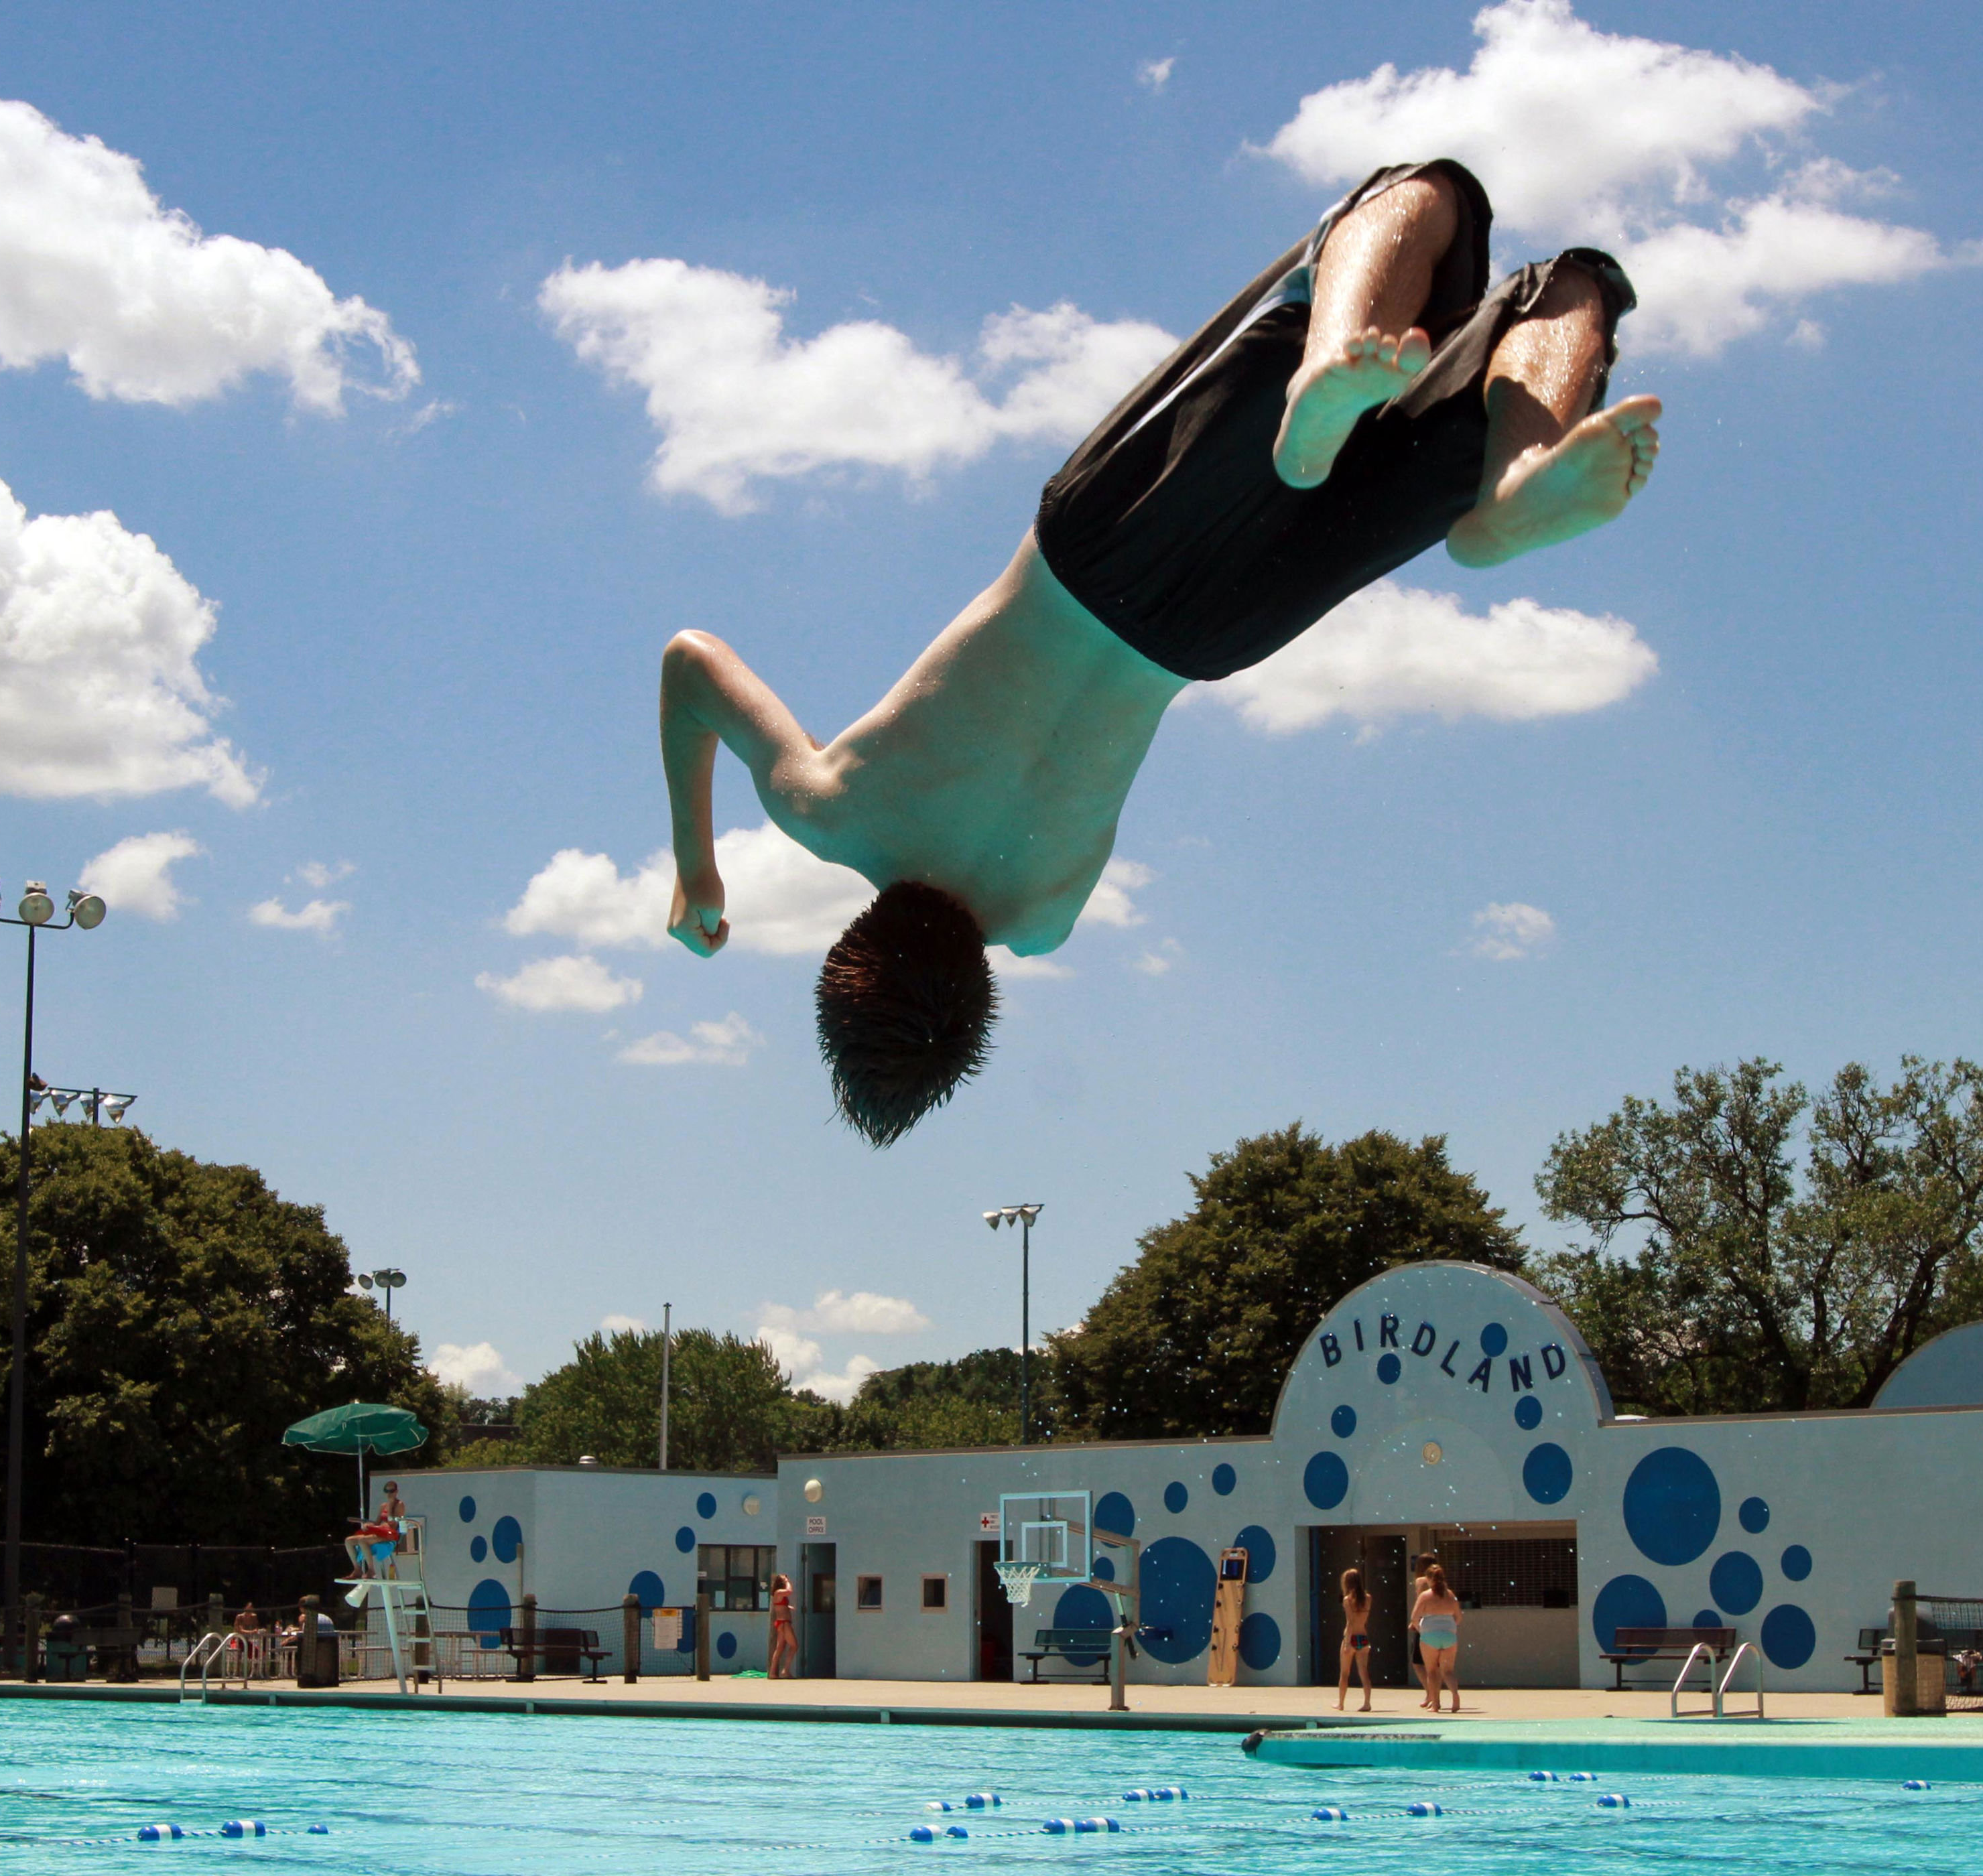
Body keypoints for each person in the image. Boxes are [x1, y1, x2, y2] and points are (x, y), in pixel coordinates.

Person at [659, 158, 1659, 1143]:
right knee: (1423, 198)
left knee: (1569, 287)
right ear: (844, 956)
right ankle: (1330, 362)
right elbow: (689, 661)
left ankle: (1506, 483)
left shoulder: (1045, 915)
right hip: (1100, 548)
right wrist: (697, 871)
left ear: (979, 1007)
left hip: (1220, 629)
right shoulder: (829, 807)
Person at [1411, 1564, 1463, 1714]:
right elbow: (1458, 1617)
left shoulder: (1425, 1596)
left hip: (1430, 1635)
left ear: (1428, 1579)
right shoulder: (1450, 1595)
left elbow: (1414, 1617)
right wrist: (1451, 1628)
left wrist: (1421, 1629)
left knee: (1432, 1671)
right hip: (1449, 1635)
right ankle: (1455, 1695)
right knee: (1448, 1671)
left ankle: (1436, 1704)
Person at [1334, 1566, 1375, 1714]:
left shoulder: (1348, 1600)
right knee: (1364, 1672)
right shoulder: (1368, 1598)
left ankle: (1341, 1703)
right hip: (1363, 1636)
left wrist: (1346, 1643)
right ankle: (1367, 1702)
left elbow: (1350, 1622)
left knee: (1345, 1673)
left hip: (1351, 1637)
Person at [767, 1573, 797, 1678]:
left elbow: (780, 1606)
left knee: (780, 1648)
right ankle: (785, 1670)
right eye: (784, 1579)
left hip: (782, 1622)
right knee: (794, 1646)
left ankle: (772, 1673)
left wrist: (788, 1607)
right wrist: (787, 1582)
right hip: (784, 1623)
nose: (787, 1580)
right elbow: (789, 1591)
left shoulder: (778, 1595)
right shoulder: (779, 1592)